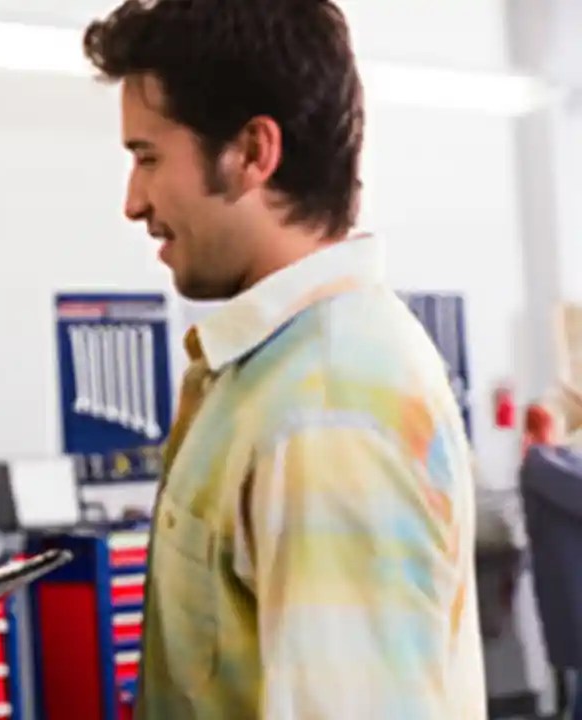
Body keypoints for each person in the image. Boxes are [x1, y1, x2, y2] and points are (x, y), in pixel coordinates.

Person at [82, 1, 486, 717]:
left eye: (148, 157)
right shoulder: (268, 374)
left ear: (251, 153)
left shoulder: (327, 413)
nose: (133, 201)